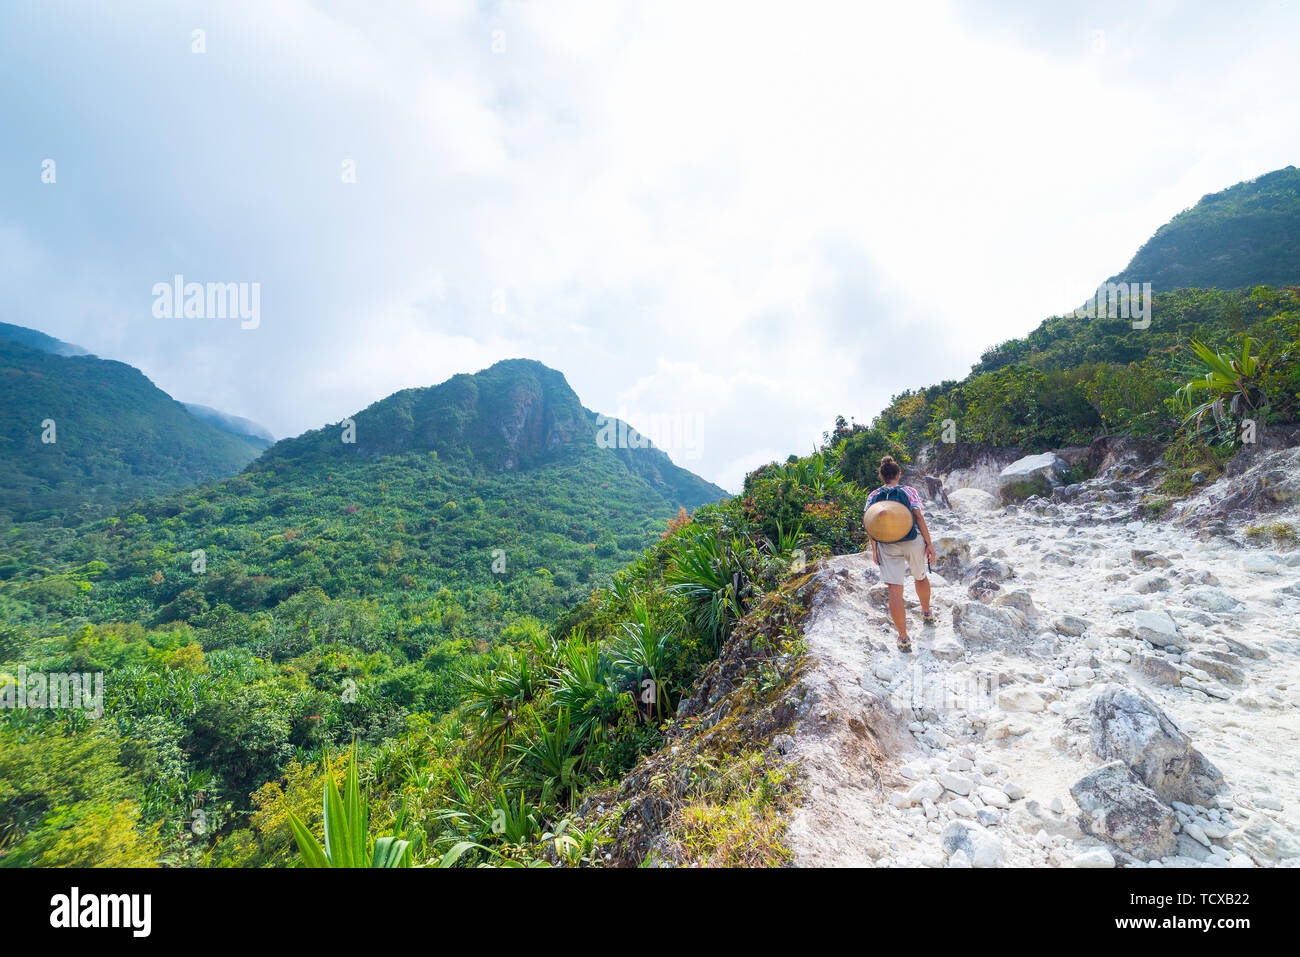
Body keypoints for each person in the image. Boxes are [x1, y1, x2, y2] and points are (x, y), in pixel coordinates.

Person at [865, 455, 936, 652]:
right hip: (912, 540)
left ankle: (903, 638)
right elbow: (919, 517)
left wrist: (874, 549)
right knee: (920, 576)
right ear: (898, 474)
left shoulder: (872, 496)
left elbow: (870, 524)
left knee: (895, 591)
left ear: (881, 475)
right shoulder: (908, 491)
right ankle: (926, 612)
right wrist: (929, 544)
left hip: (886, 545)